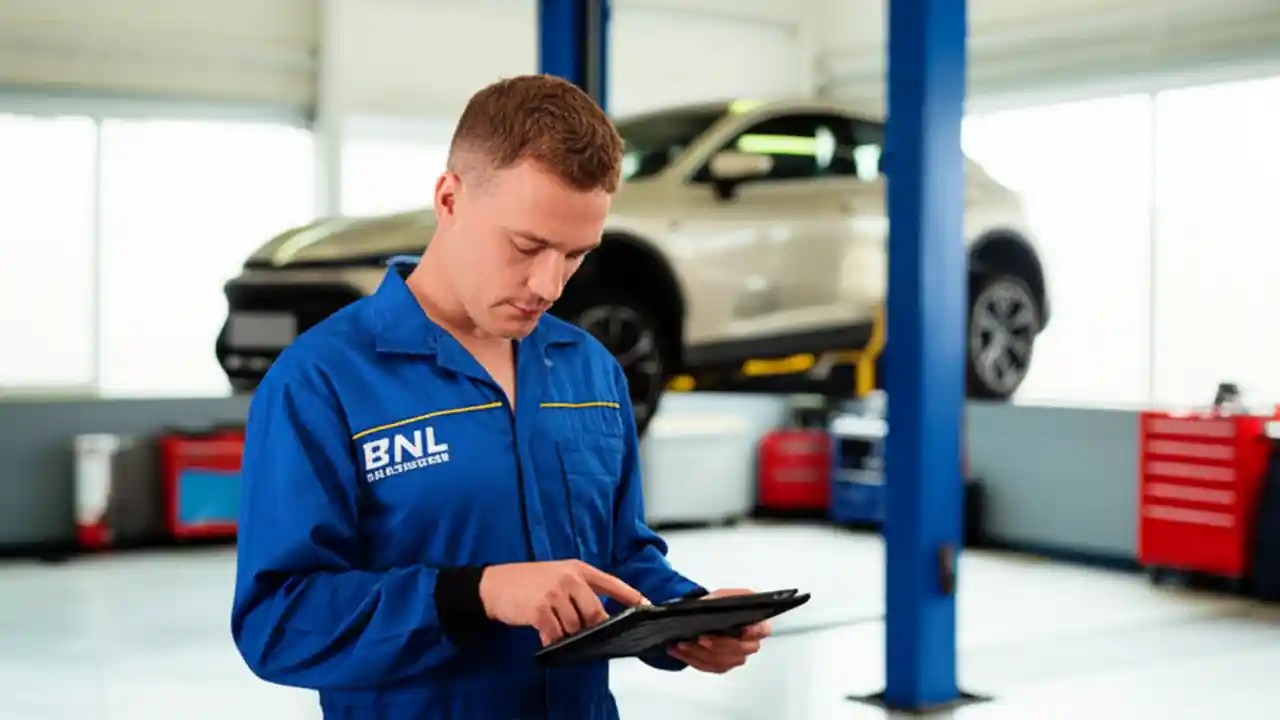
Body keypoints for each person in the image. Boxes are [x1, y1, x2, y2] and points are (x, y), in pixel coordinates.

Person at [230, 74, 772, 719]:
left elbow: (620, 558)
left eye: (575, 255)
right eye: (526, 245)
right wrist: (475, 594)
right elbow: (277, 622)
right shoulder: (322, 381)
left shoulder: (592, 372)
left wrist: (683, 618)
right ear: (449, 198)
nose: (549, 284)